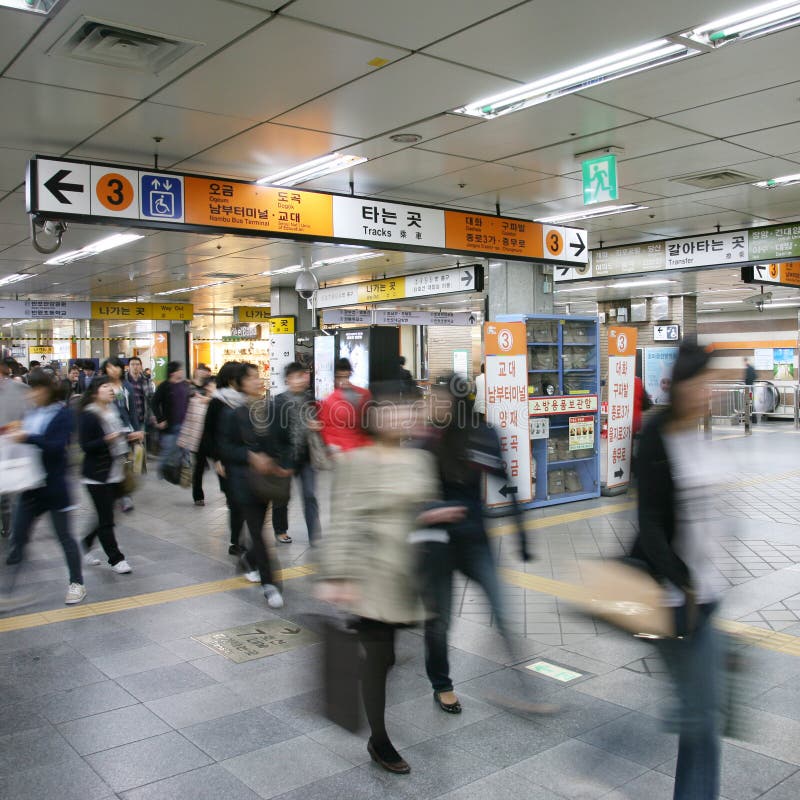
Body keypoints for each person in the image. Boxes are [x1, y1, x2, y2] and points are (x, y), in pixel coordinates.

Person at [317, 388, 442, 774]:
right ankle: (380, 741)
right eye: (390, 413)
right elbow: (343, 519)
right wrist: (338, 574)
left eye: (406, 411)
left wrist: (437, 519)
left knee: (386, 656)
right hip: (370, 572)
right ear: (372, 419)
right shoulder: (356, 462)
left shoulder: (420, 459)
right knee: (379, 656)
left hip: (408, 573)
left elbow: (427, 506)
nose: (400, 419)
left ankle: (370, 695)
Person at [633, 343, 724, 800]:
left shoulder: (698, 433)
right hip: (674, 600)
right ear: (681, 386)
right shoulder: (657, 436)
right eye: (702, 382)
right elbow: (648, 523)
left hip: (707, 594)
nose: (709, 392)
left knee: (700, 720)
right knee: (701, 720)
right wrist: (682, 581)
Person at [417, 377, 530, 714]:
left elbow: (505, 483)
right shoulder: (425, 439)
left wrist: (521, 532)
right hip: (437, 543)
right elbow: (409, 497)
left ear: (458, 402)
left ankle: (523, 684)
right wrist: (432, 511)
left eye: (439, 397)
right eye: (431, 398)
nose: (433, 404)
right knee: (439, 620)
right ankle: (442, 684)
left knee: (502, 609)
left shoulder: (482, 435)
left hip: (475, 539)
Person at [3, 369, 85, 605]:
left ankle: (77, 583)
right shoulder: (31, 414)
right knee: (18, 538)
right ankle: (8, 590)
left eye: (36, 390)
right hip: (31, 487)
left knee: (65, 538)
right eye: (31, 390)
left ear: (48, 390)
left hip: (55, 488)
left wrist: (26, 437)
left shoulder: (63, 414)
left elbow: (56, 447)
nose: (32, 396)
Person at [217, 362, 285, 608]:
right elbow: (224, 447)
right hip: (244, 482)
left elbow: (278, 442)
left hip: (267, 481)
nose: (258, 381)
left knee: (259, 531)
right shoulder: (233, 414)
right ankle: (271, 584)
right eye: (252, 378)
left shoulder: (270, 410)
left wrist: (279, 461)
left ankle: (247, 559)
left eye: (259, 377)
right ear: (241, 384)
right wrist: (250, 456)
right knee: (259, 533)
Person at [78, 376, 136, 574]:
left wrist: (129, 436)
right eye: (105, 387)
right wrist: (107, 439)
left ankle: (85, 543)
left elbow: (118, 435)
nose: (111, 390)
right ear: (95, 391)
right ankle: (116, 559)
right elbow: (86, 446)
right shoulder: (89, 415)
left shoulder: (111, 410)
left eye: (111, 387)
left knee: (107, 515)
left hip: (115, 471)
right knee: (106, 518)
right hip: (97, 475)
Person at [269, 362, 322, 546]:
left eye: (303, 375)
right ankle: (280, 529)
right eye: (297, 376)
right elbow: (273, 432)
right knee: (282, 496)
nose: (302, 380)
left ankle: (314, 534)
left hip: (306, 456)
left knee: (309, 494)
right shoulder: (278, 401)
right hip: (285, 457)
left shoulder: (309, 399)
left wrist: (315, 427)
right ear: (288, 380)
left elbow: (315, 422)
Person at [201, 362, 245, 554]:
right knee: (235, 501)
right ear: (231, 380)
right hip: (225, 460)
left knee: (244, 501)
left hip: (244, 458)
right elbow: (208, 433)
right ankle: (235, 542)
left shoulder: (245, 400)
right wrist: (216, 459)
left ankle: (243, 538)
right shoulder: (217, 402)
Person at [102, 357, 144, 512]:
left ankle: (125, 496)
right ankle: (113, 493)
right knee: (111, 464)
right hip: (107, 431)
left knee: (125, 463)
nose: (114, 370)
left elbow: (132, 411)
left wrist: (136, 429)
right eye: (110, 367)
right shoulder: (102, 385)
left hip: (125, 430)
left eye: (117, 367)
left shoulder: (126, 386)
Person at [0, 358, 31, 538]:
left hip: (12, 446)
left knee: (8, 492)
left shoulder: (19, 389)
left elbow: (31, 415)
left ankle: (9, 526)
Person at [318, 358, 372, 453]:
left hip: (359, 445)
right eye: (340, 377)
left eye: (346, 377)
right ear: (335, 377)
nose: (343, 381)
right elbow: (326, 427)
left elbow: (367, 423)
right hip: (341, 448)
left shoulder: (364, 394)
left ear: (350, 374)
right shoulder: (329, 400)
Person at [151, 361, 191, 477]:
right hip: (170, 425)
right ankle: (161, 471)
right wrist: (160, 419)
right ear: (173, 373)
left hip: (184, 424)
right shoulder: (164, 386)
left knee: (184, 450)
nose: (182, 372)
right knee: (168, 450)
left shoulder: (184, 384)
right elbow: (154, 403)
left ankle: (181, 472)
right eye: (179, 370)